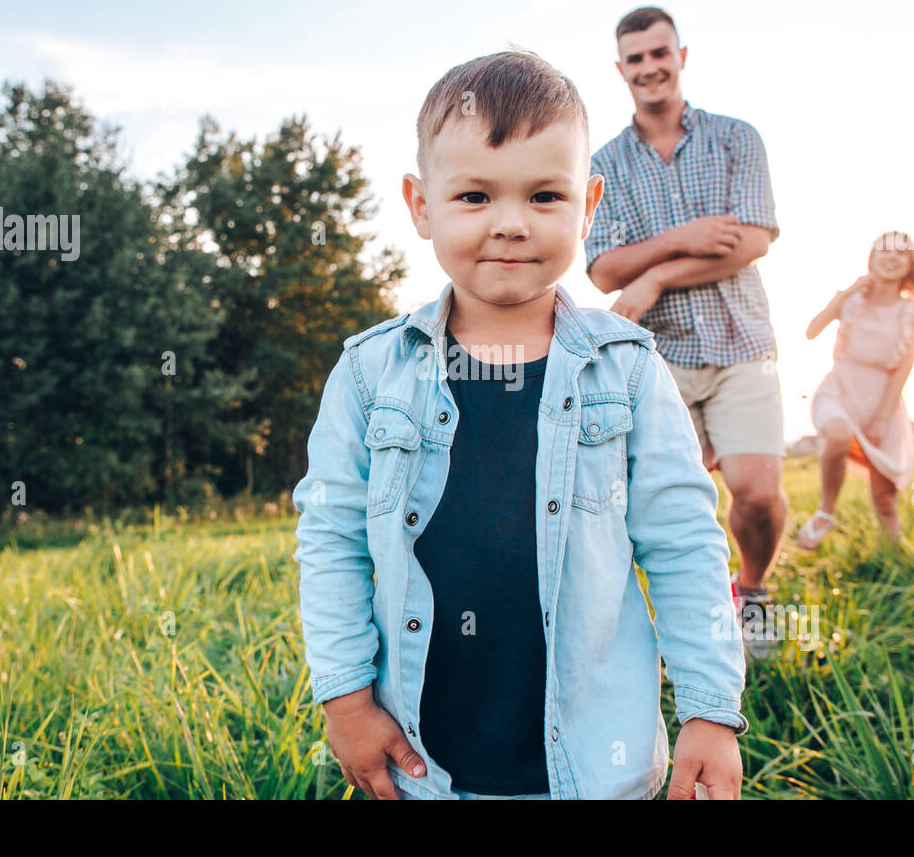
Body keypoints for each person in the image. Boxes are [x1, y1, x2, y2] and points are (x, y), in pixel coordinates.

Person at [291, 48, 748, 801]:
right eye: (474, 196)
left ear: (589, 206)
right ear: (421, 205)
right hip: (425, 765)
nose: (510, 224)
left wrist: (709, 711)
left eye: (544, 196)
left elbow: (686, 545)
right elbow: (332, 538)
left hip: (599, 767)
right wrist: (345, 699)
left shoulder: (629, 371)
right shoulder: (371, 375)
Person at [584, 6, 785, 654]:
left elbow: (751, 240)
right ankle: (686, 630)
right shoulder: (604, 163)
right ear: (621, 70)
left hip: (742, 344)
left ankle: (751, 586)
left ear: (681, 56)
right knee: (672, 506)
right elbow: (603, 269)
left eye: (659, 53)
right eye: (636, 58)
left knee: (756, 494)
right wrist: (686, 238)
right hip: (659, 357)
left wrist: (656, 279)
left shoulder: (736, 137)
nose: (650, 67)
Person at [798, 230, 914, 549]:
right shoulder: (851, 299)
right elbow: (811, 331)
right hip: (840, 389)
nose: (891, 257)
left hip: (883, 399)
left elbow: (904, 367)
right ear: (871, 257)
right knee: (839, 432)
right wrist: (846, 293)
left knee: (885, 497)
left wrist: (883, 419)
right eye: (884, 250)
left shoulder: (913, 311)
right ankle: (826, 511)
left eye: (901, 253)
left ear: (910, 264)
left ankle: (894, 555)